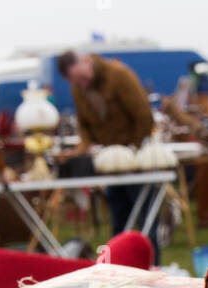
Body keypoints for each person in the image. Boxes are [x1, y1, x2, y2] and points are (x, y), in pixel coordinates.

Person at [57, 49, 159, 260]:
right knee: (118, 218)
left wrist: (136, 151)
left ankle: (152, 264)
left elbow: (143, 115)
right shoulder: (79, 90)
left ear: (86, 61)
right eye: (76, 81)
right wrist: (82, 149)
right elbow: (84, 126)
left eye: (82, 78)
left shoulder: (119, 75)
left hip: (136, 160)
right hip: (110, 163)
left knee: (144, 217)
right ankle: (119, 269)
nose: (82, 84)